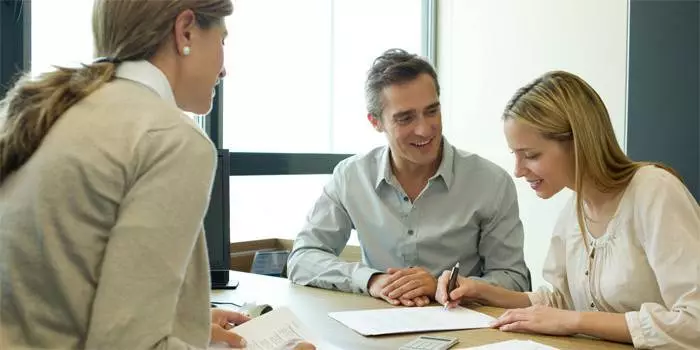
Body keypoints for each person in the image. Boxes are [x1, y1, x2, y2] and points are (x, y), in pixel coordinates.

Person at [0, 1, 314, 349]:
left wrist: (188, 320)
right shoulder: (169, 137)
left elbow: (64, 295)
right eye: (223, 40)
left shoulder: (63, 111)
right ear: (186, 31)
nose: (225, 69)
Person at [436, 70, 700, 348]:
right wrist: (481, 291)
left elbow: (694, 321)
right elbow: (560, 302)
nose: (517, 170)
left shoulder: (655, 191)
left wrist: (574, 321)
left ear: (578, 142)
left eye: (531, 155)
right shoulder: (574, 210)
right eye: (515, 155)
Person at [287, 48, 530, 308]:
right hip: (377, 326)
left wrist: (443, 286)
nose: (424, 129)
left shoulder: (491, 182)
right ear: (375, 122)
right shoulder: (351, 176)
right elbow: (303, 258)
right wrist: (373, 281)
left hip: (464, 327)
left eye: (432, 111)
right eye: (405, 118)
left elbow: (514, 281)